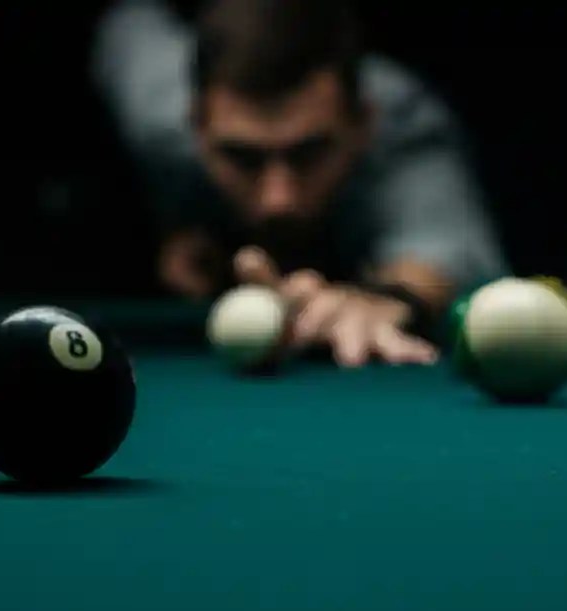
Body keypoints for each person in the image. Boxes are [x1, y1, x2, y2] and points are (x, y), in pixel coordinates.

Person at [92, 0, 508, 366]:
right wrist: (178, 217)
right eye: (242, 158)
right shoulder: (157, 109)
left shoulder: (402, 129)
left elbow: (446, 247)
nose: (279, 201)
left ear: (363, 122)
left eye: (309, 154)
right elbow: (125, 22)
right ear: (196, 125)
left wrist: (391, 298)